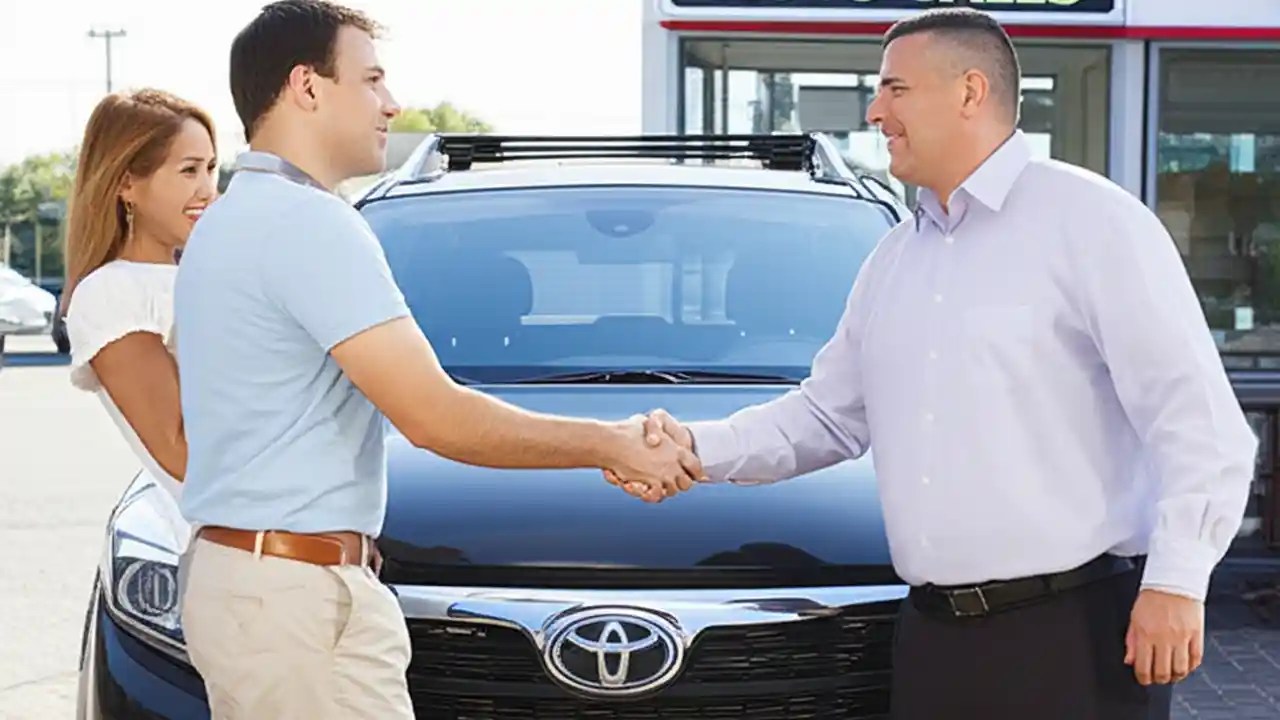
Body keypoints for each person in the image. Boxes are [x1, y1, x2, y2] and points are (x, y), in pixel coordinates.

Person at [611, 8, 1258, 720]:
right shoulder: (895, 257)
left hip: (1073, 637)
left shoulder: (1093, 223)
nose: (875, 110)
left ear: (970, 92)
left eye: (895, 89)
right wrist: (696, 448)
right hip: (930, 639)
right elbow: (826, 415)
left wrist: (1176, 582)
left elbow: (1197, 422)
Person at [172, 2, 701, 718]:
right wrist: (610, 443)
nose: (393, 103)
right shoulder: (307, 223)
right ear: (307, 86)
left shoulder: (239, 215)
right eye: (372, 80)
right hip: (292, 595)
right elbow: (434, 417)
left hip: (271, 584)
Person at [62, 88, 220, 501]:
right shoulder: (112, 294)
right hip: (240, 541)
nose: (207, 190)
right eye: (189, 171)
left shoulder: (209, 275)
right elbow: (181, 454)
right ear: (127, 183)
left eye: (211, 168)